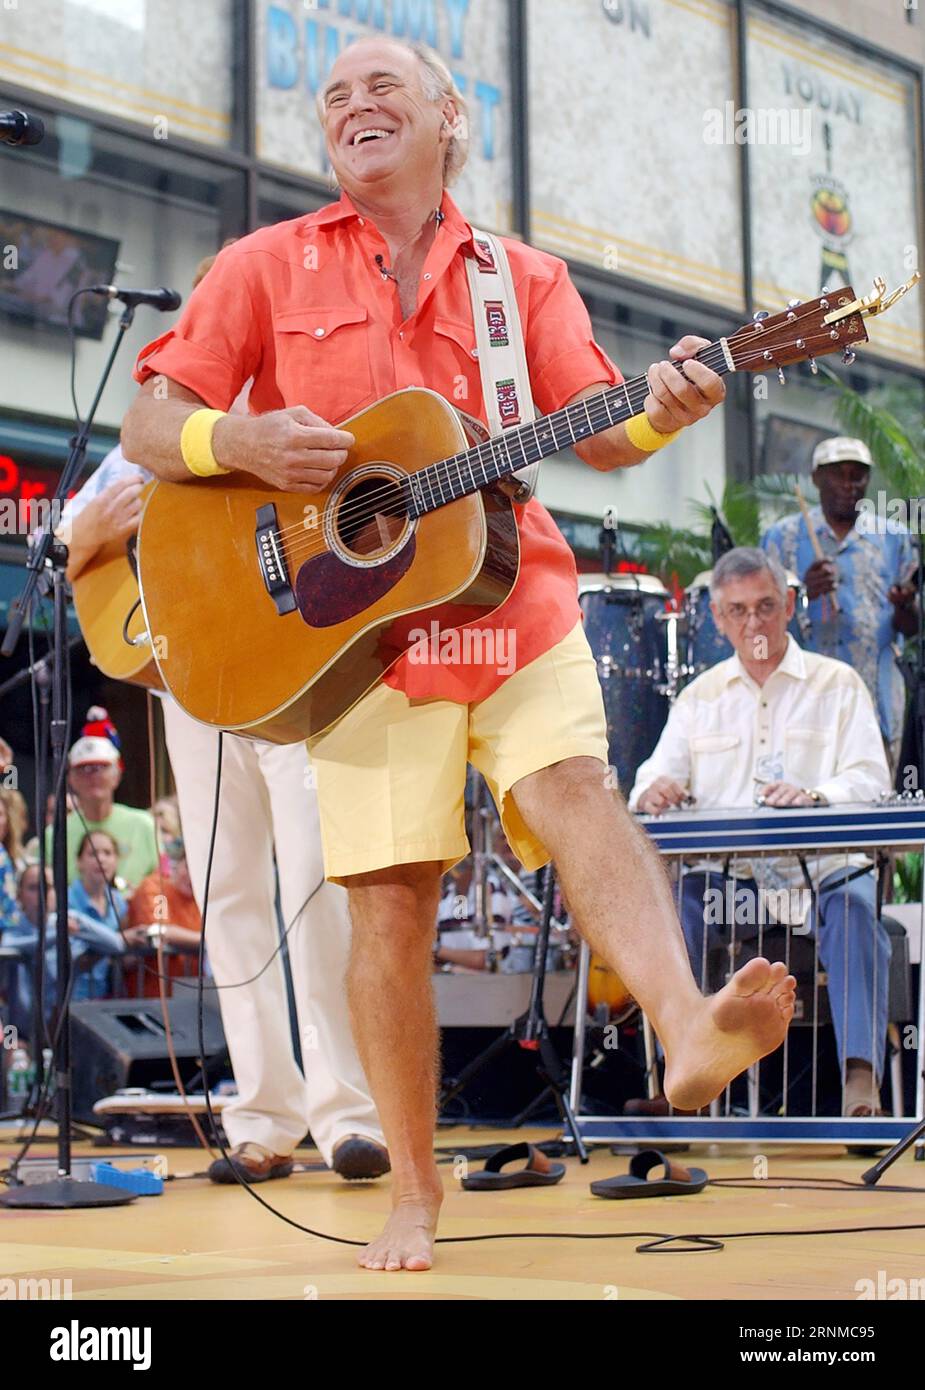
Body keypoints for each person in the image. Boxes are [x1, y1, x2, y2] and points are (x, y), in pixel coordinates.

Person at [122, 35, 795, 1270]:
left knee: (574, 785)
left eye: (382, 87)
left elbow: (604, 424)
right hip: (353, 632)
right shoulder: (261, 265)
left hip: (507, 592)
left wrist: (674, 399)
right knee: (388, 908)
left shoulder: (521, 280)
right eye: (333, 97)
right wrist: (243, 442)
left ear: (448, 123)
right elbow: (152, 420)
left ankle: (685, 1022)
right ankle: (414, 1193)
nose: (352, 105)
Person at [59, 255, 388, 1186]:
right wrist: (79, 539)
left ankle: (347, 1113)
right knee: (232, 896)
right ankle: (261, 1117)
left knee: (317, 886)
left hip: (296, 687)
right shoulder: (161, 426)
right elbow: (78, 530)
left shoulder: (297, 408)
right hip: (195, 694)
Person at [629, 548, 892, 1116]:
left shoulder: (838, 685)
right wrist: (653, 791)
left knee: (854, 907)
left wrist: (817, 795)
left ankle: (860, 1086)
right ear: (719, 619)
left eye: (766, 606)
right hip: (735, 886)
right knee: (678, 913)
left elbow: (873, 777)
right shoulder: (700, 698)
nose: (754, 622)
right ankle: (680, 1075)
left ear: (791, 606)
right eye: (739, 610)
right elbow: (652, 776)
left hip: (823, 876)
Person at [761, 436, 917, 763]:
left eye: (857, 474)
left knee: (878, 796)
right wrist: (803, 593)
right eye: (837, 473)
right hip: (802, 706)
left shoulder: (895, 538)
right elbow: (759, 621)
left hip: (879, 704)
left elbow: (912, 627)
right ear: (817, 477)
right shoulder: (781, 538)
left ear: (868, 480)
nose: (848, 484)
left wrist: (905, 605)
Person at [3, 862, 125, 1038]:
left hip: (59, 1031)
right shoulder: (14, 929)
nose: (43, 894)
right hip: (17, 1033)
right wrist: (58, 935)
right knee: (15, 1060)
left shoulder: (65, 923)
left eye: (49, 887)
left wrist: (78, 922)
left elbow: (115, 944)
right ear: (19, 895)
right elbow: (11, 946)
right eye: (34, 888)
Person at [45, 732, 159, 889]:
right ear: (70, 778)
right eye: (83, 769)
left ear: (117, 775)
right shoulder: (55, 834)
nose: (92, 776)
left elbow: (164, 880)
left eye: (101, 768)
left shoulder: (145, 825)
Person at [124, 836, 202, 998]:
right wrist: (205, 941)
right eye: (188, 868)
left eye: (199, 872)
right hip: (149, 995)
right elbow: (158, 930)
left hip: (190, 998)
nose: (192, 877)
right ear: (177, 865)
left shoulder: (203, 901)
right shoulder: (155, 887)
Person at [67, 829, 127, 1000]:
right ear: (79, 862)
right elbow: (73, 959)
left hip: (108, 997)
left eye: (108, 853)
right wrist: (116, 943)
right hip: (72, 998)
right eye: (93, 854)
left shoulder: (119, 902)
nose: (101, 859)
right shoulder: (66, 900)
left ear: (116, 861)